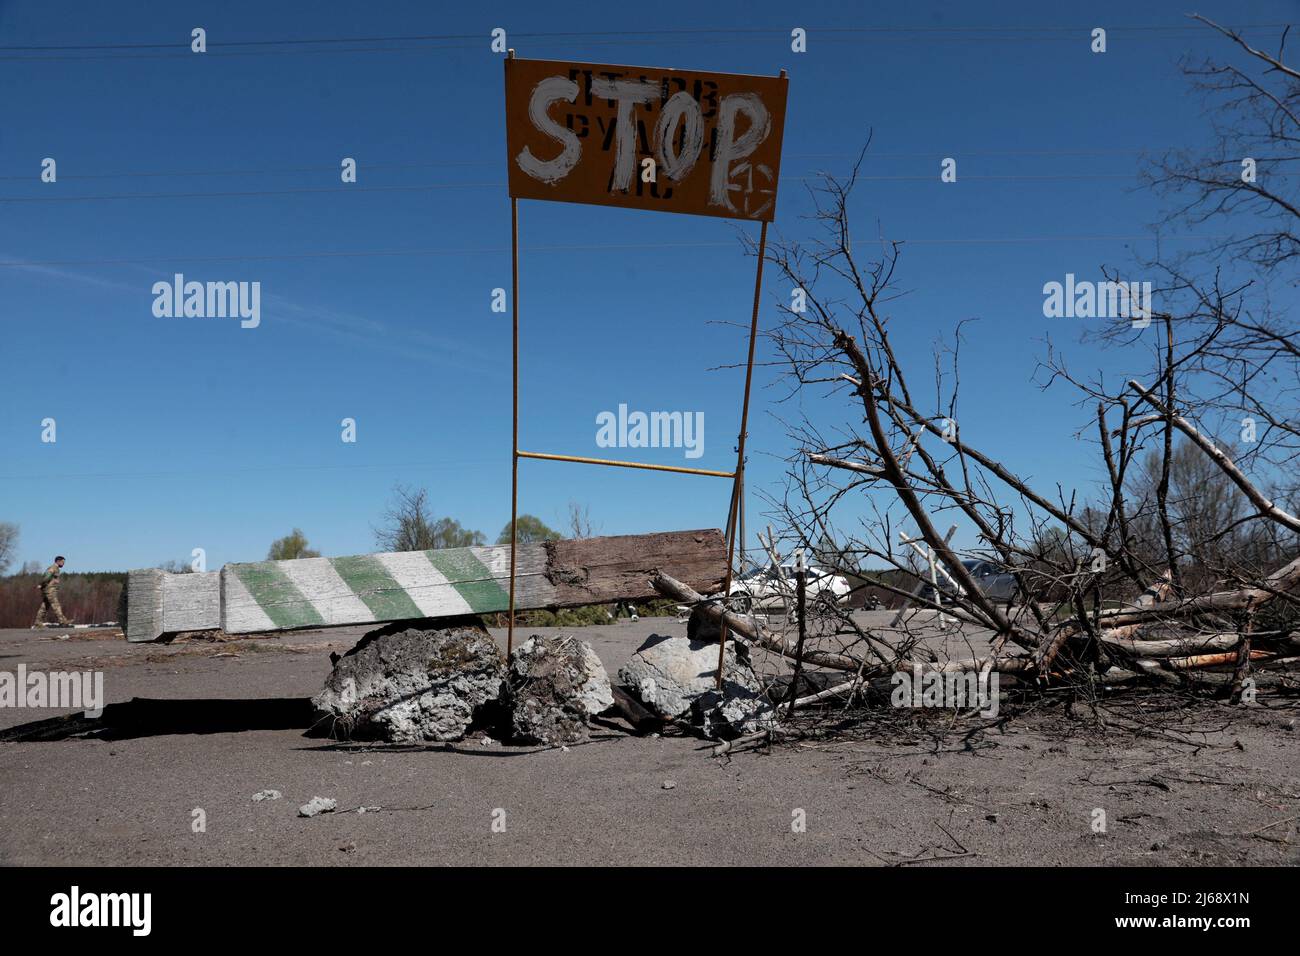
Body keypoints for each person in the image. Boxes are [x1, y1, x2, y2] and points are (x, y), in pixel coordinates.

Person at [33, 555, 73, 627]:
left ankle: (38, 622)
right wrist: (41, 584)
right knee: (56, 605)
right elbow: (47, 576)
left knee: (44, 606)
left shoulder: (56, 568)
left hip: (48, 590)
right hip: (50, 590)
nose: (63, 564)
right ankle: (62, 621)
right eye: (63, 562)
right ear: (58, 561)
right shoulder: (53, 568)